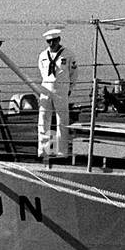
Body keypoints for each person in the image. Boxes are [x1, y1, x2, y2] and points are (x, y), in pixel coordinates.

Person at [37, 28, 76, 158]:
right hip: (46, 89)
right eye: (49, 41)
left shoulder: (68, 54)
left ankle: (61, 151)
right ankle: (44, 150)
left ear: (59, 40)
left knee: (62, 121)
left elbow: (74, 73)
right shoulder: (43, 55)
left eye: (54, 41)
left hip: (61, 89)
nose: (51, 44)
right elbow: (42, 72)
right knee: (43, 120)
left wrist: (70, 88)